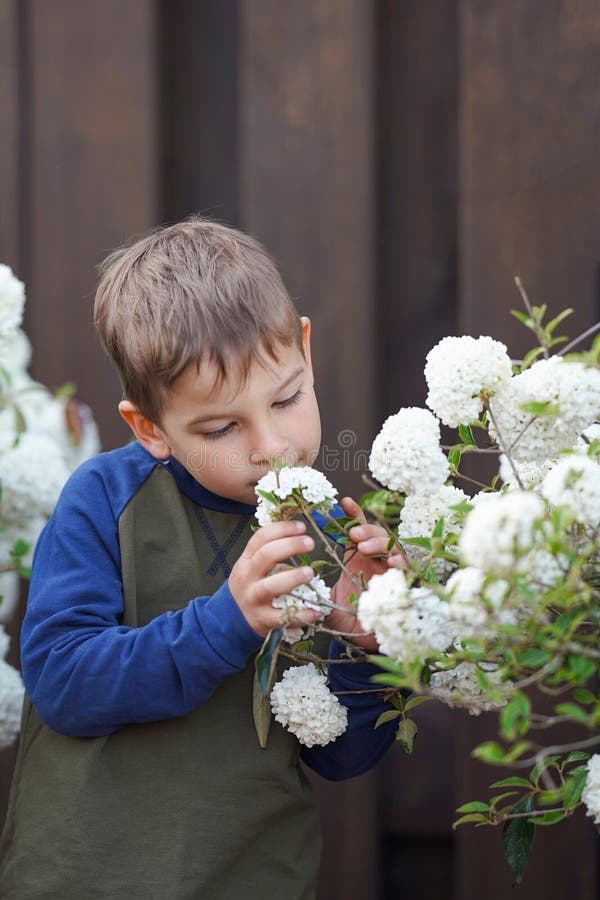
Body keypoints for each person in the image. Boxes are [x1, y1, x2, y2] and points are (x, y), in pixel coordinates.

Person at [0, 218, 400, 899]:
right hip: (88, 878)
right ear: (149, 427)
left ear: (306, 352)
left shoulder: (332, 533)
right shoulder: (104, 500)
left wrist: (369, 643)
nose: (270, 445)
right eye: (220, 427)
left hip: (257, 874)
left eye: (287, 398)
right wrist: (226, 625)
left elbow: (342, 755)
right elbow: (62, 684)